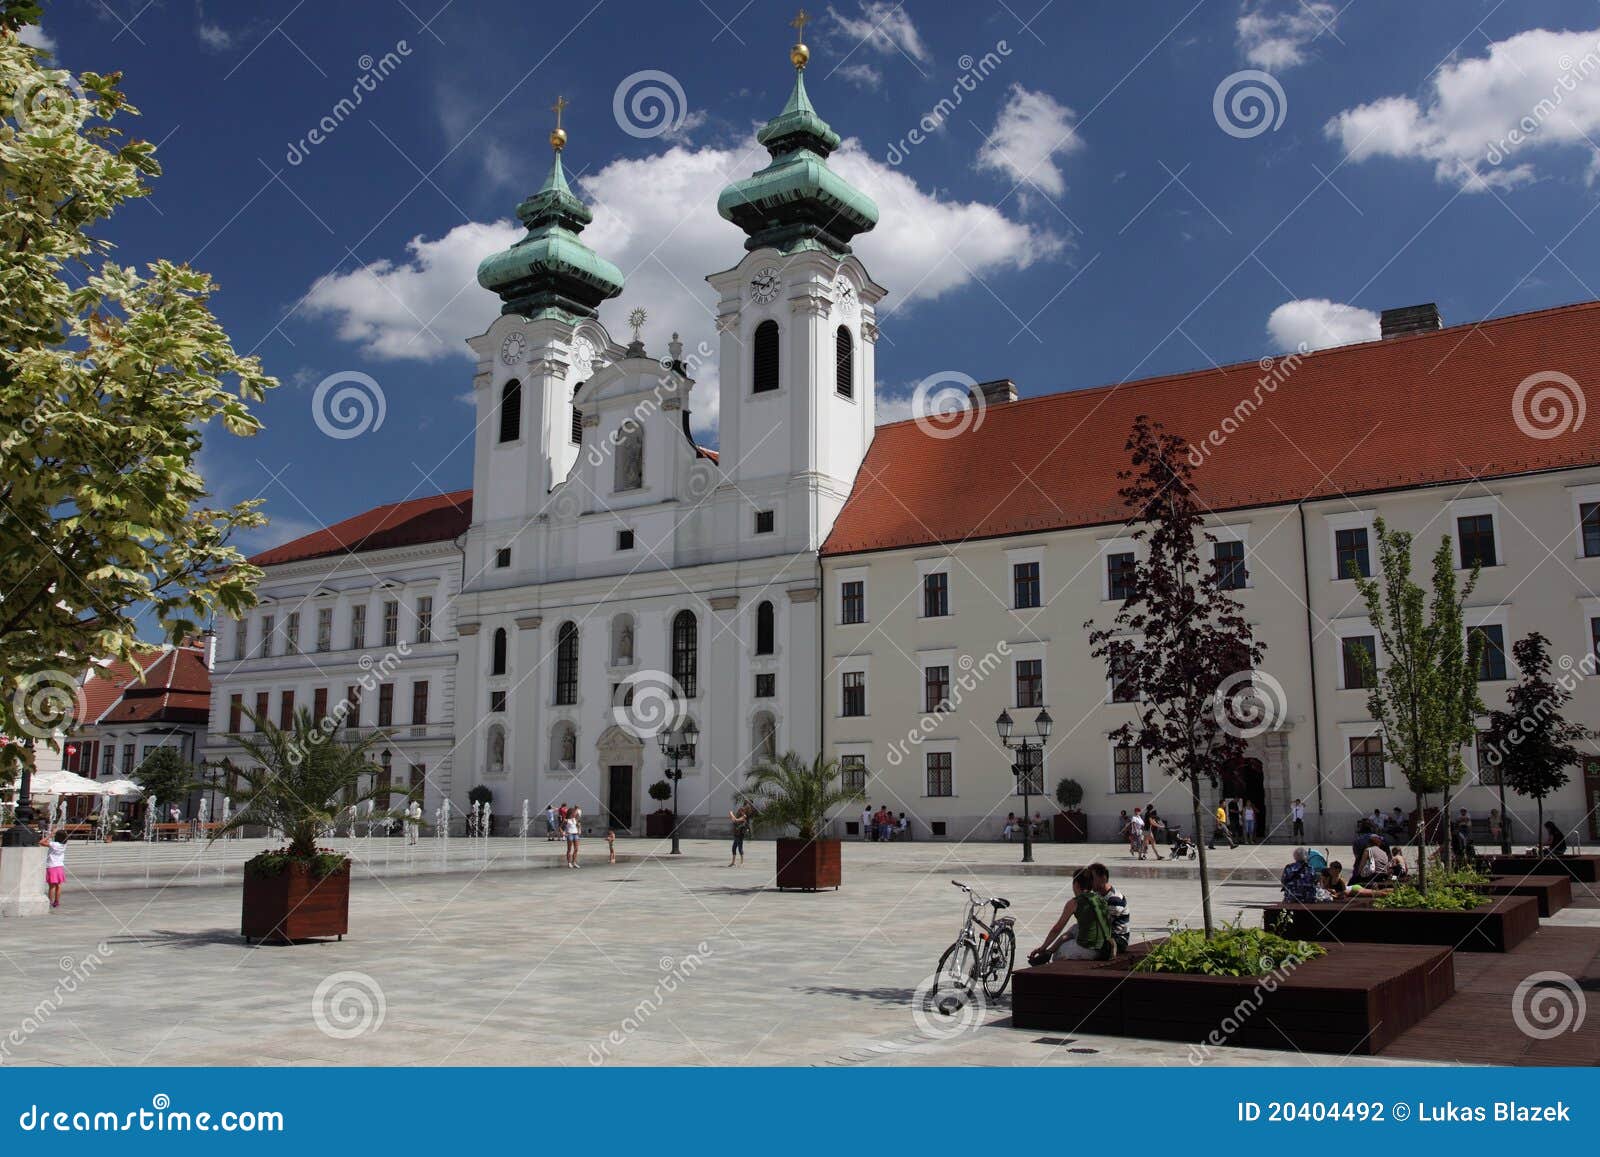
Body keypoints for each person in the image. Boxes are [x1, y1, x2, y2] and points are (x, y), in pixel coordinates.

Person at [1032, 869, 1115, 962]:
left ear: (1076, 884)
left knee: (1059, 953)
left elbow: (1057, 929)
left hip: (1089, 950)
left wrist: (1043, 946)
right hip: (1105, 949)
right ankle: (1049, 951)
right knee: (1075, 928)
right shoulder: (1100, 899)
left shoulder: (1074, 903)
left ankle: (1060, 972)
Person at [1089, 862, 1130, 954]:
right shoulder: (1098, 894)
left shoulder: (1114, 899)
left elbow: (1103, 925)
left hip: (1118, 940)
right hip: (1105, 937)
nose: (1089, 882)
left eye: (1092, 879)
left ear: (1103, 878)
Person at [40, 829, 67, 909]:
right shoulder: (64, 845)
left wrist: (50, 835)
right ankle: (56, 901)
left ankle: (50, 901)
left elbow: (41, 842)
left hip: (52, 866)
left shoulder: (54, 844)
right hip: (60, 866)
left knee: (52, 886)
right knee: (58, 885)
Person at [728, 803, 751, 867]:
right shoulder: (738, 816)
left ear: (743, 811)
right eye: (739, 810)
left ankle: (742, 862)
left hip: (740, 835)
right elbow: (734, 820)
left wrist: (732, 814)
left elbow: (736, 820)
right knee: (734, 848)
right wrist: (731, 815)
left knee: (740, 848)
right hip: (736, 834)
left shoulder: (744, 817)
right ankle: (733, 862)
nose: (739, 811)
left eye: (740, 810)